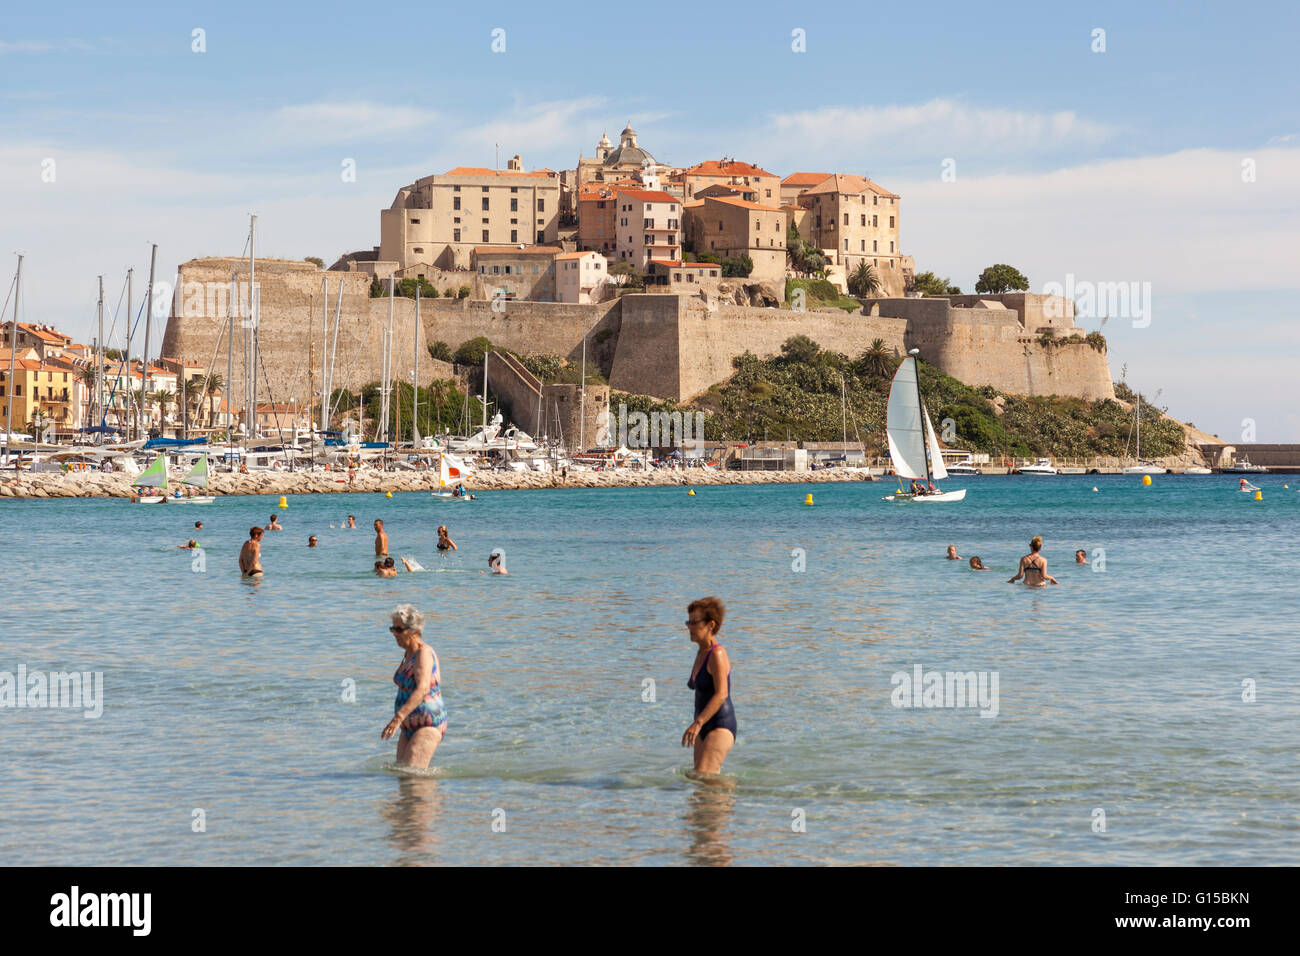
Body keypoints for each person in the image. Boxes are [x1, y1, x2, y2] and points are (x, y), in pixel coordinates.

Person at [381, 604, 447, 770]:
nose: (394, 634)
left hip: (428, 724)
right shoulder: (407, 654)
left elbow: (423, 688)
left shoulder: (424, 653)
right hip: (408, 727)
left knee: (413, 777)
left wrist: (398, 718)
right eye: (392, 629)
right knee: (403, 777)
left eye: (399, 629)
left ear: (415, 631)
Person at [682, 596, 736, 775]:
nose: (689, 627)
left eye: (694, 622)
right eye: (688, 622)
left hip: (720, 725)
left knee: (705, 777)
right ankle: (725, 799)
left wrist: (697, 723)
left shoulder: (717, 654)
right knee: (699, 780)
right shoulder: (700, 653)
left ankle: (732, 797)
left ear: (711, 625)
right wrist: (698, 725)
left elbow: (721, 694)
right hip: (701, 725)